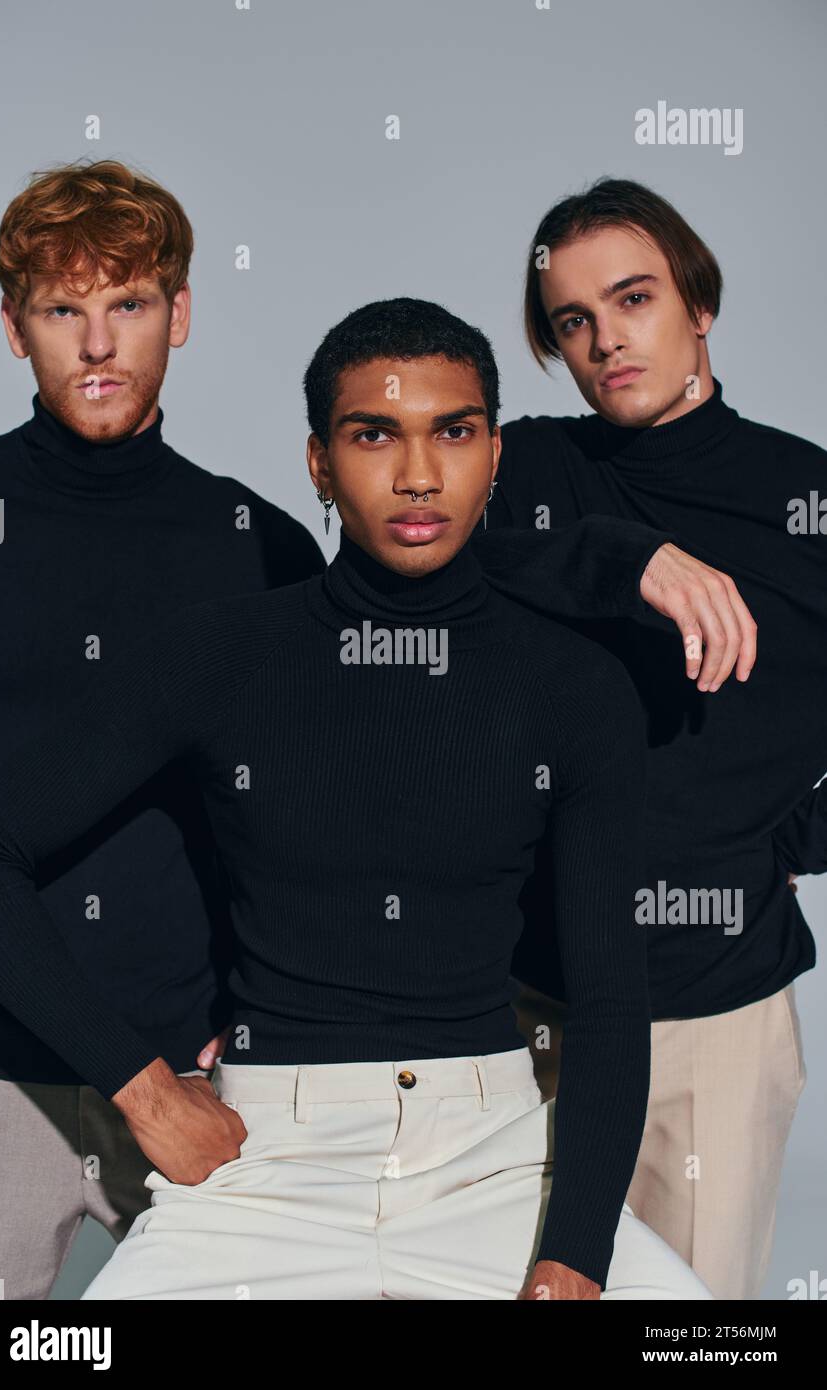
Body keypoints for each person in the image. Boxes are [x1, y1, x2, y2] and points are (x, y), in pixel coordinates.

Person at [0, 299, 719, 1300]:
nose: (416, 473)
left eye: (453, 431)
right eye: (374, 434)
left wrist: (575, 1253)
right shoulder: (220, 655)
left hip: (491, 1147)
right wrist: (142, 1088)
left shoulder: (573, 687)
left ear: (493, 453)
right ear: (318, 462)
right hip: (266, 1155)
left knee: (710, 1337)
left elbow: (614, 1004)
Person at [0, 158, 325, 1300]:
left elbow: (293, 823)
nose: (99, 341)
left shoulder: (258, 546)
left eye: (127, 303)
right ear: (16, 330)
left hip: (199, 1066)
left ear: (181, 313)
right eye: (63, 309)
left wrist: (255, 1025)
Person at [496, 176, 823, 1299]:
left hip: (713, 1017)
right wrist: (628, 556)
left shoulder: (805, 497)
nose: (604, 340)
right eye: (573, 321)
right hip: (528, 1013)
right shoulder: (535, 468)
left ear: (698, 304)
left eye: (631, 299)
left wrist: (778, 841)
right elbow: (456, 535)